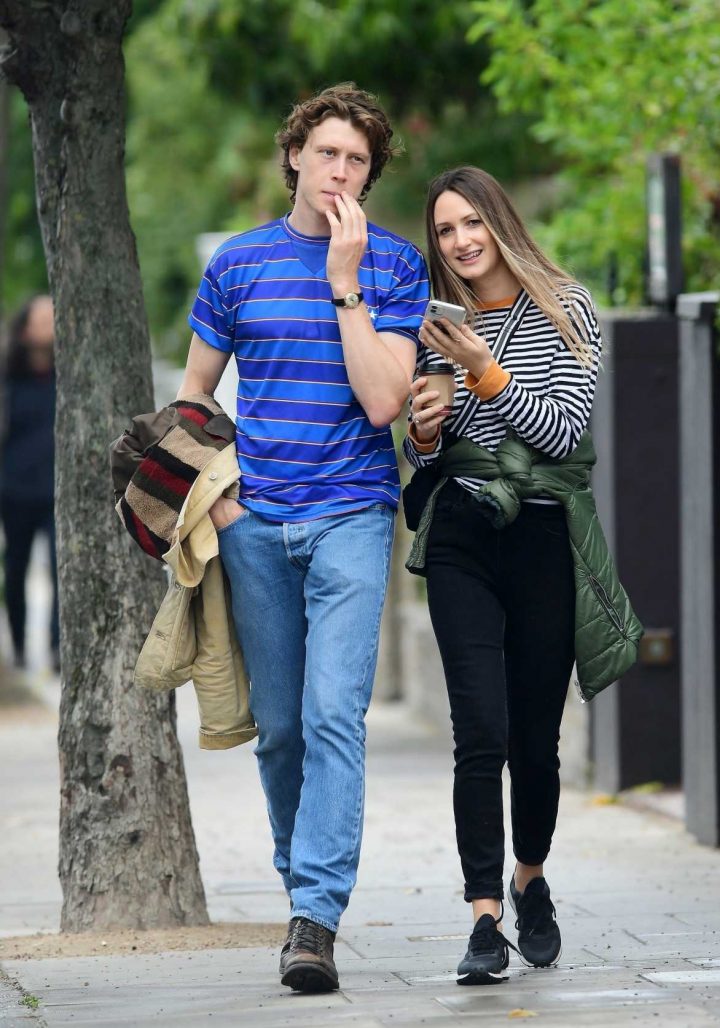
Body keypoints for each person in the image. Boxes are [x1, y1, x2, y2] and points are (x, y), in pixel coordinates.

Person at [178, 84, 429, 993]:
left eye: (357, 160)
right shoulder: (238, 266)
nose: (339, 171)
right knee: (280, 731)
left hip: (354, 517)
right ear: (294, 156)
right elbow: (194, 399)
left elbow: (383, 401)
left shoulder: (394, 268)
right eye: (326, 153)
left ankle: (315, 918)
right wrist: (222, 504)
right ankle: (303, 893)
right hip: (256, 524)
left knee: (333, 717)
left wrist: (345, 283)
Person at [403, 166, 640, 986]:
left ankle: (529, 879)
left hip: (542, 534)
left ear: (499, 221)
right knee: (482, 732)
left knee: (536, 744)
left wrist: (483, 369)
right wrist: (425, 432)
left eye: (472, 222)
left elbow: (560, 427)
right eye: (445, 231)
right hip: (463, 535)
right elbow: (428, 448)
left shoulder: (566, 307)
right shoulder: (436, 324)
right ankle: (482, 918)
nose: (461, 242)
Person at [0, 295, 59, 673]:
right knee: (16, 568)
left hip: (56, 493)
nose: (52, 323)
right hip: (13, 491)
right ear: (25, 330)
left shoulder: (68, 378)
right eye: (44, 318)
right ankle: (19, 645)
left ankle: (56, 648)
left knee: (60, 567)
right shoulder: (7, 381)